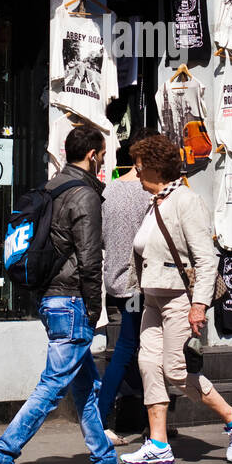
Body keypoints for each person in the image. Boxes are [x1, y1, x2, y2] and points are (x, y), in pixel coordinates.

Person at [0, 125, 132, 464]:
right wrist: (94, 310)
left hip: (52, 299)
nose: (103, 163)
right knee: (52, 386)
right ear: (93, 155)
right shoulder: (85, 196)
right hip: (73, 300)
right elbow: (90, 259)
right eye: (103, 156)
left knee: (87, 388)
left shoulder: (51, 187)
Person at [119, 134, 232, 464]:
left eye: (139, 167)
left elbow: (206, 259)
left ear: (155, 168)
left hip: (180, 298)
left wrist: (199, 305)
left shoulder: (185, 201)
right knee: (149, 365)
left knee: (176, 372)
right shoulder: (156, 203)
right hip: (153, 298)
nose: (135, 174)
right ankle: (159, 444)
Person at [97, 133, 150, 445]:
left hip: (115, 279)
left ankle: (149, 417)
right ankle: (101, 416)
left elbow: (103, 236)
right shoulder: (147, 193)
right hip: (139, 282)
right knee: (130, 347)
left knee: (133, 347)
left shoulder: (110, 189)